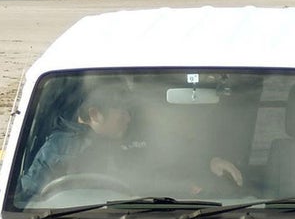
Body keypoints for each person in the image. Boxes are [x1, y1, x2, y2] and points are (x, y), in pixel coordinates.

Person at [16, 83, 243, 202]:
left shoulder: (134, 136)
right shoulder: (57, 148)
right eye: (121, 113)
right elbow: (29, 195)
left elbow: (171, 151)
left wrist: (210, 161)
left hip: (142, 215)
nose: (128, 118)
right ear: (95, 114)